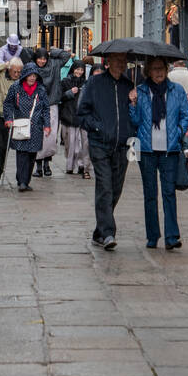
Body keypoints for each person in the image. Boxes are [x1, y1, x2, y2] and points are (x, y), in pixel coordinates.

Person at [130, 57, 188, 250]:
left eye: (162, 69)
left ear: (166, 70)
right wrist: (132, 105)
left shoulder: (177, 90)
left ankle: (172, 236)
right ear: (147, 71)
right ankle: (152, 236)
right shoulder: (140, 92)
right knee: (150, 194)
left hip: (169, 151)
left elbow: (185, 115)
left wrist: (180, 132)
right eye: (154, 69)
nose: (158, 72)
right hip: (147, 150)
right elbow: (134, 122)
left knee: (169, 193)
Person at [77, 52, 136, 250]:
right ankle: (109, 233)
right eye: (117, 61)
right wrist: (97, 128)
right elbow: (82, 113)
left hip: (122, 145)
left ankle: (99, 232)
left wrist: (135, 103)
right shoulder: (95, 83)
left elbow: (135, 116)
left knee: (116, 189)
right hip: (100, 143)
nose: (121, 65)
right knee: (104, 186)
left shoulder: (129, 86)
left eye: (123, 62)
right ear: (108, 62)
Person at [3, 63, 49, 192]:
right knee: (22, 153)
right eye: (30, 75)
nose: (32, 78)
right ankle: (22, 181)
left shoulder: (41, 90)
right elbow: (8, 104)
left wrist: (47, 125)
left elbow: (46, 108)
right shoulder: (15, 87)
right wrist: (8, 118)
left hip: (36, 127)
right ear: (25, 76)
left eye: (34, 75)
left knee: (32, 155)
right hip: (21, 125)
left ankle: (25, 180)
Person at [28, 47, 68, 178]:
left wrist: (52, 51)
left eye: (44, 58)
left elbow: (66, 55)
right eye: (39, 58)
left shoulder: (54, 64)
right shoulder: (31, 67)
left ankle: (47, 164)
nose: (42, 61)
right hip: (36, 104)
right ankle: (39, 166)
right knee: (37, 136)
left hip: (52, 104)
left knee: (50, 137)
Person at [0, 57, 23, 182]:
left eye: (19, 72)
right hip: (3, 114)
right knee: (3, 146)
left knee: (20, 146)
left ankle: (21, 176)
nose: (17, 74)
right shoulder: (2, 75)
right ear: (9, 70)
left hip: (19, 116)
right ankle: (0, 169)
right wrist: (5, 65)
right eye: (15, 71)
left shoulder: (22, 80)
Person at [60, 60, 91, 178]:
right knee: (70, 144)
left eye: (81, 70)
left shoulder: (86, 83)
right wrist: (69, 93)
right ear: (73, 69)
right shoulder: (66, 81)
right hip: (69, 115)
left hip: (82, 117)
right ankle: (69, 166)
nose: (79, 72)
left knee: (83, 144)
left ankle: (81, 165)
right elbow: (61, 97)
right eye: (77, 69)